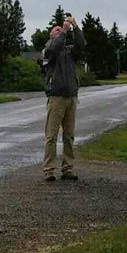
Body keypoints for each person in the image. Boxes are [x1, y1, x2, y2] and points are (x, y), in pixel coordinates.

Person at [41, 15, 87, 182]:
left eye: (61, 29)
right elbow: (53, 49)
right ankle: (49, 169)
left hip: (71, 96)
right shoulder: (48, 49)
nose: (60, 29)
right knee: (51, 135)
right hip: (56, 97)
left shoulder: (69, 51)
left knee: (69, 135)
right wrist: (64, 31)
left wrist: (76, 27)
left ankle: (68, 168)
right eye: (57, 30)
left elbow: (82, 45)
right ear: (52, 35)